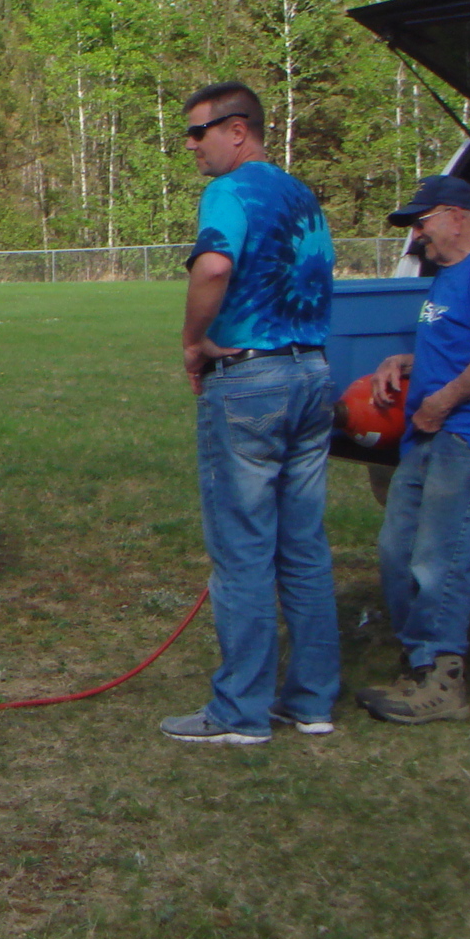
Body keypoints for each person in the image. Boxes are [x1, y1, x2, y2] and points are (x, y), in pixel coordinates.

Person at [164, 81, 338, 746]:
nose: (192, 146)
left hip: (251, 381)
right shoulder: (302, 197)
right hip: (313, 375)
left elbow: (212, 267)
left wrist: (193, 342)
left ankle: (240, 714)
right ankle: (311, 701)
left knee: (241, 551)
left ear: (239, 130)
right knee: (303, 548)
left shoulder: (230, 192)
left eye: (199, 131)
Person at [358, 174, 470, 724]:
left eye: (422, 222)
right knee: (397, 551)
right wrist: (402, 363)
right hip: (427, 435)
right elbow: (459, 345)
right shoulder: (446, 276)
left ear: (458, 215)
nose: (416, 236)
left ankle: (442, 680)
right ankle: (415, 662)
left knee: (442, 559)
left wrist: (440, 404)